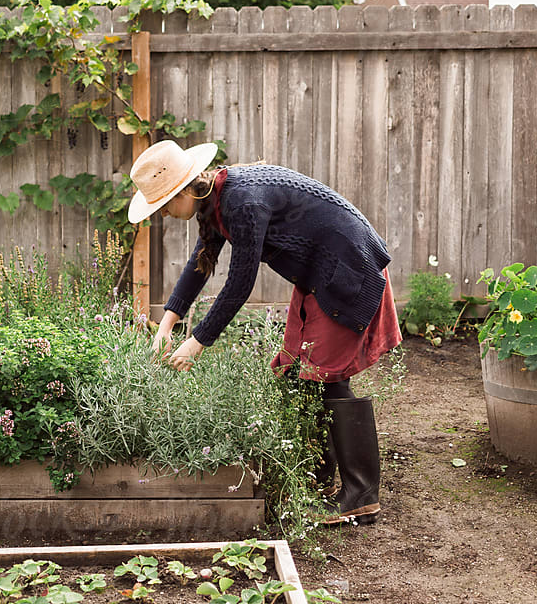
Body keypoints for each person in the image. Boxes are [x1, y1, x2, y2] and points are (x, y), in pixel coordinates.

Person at [127, 139, 402, 526]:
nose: (166, 214)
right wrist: (168, 323)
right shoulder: (216, 199)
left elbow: (240, 283)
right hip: (318, 274)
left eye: (166, 204)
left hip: (347, 269)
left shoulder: (242, 202)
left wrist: (197, 342)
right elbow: (200, 263)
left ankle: (360, 496)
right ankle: (319, 478)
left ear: (186, 188)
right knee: (296, 370)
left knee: (328, 376)